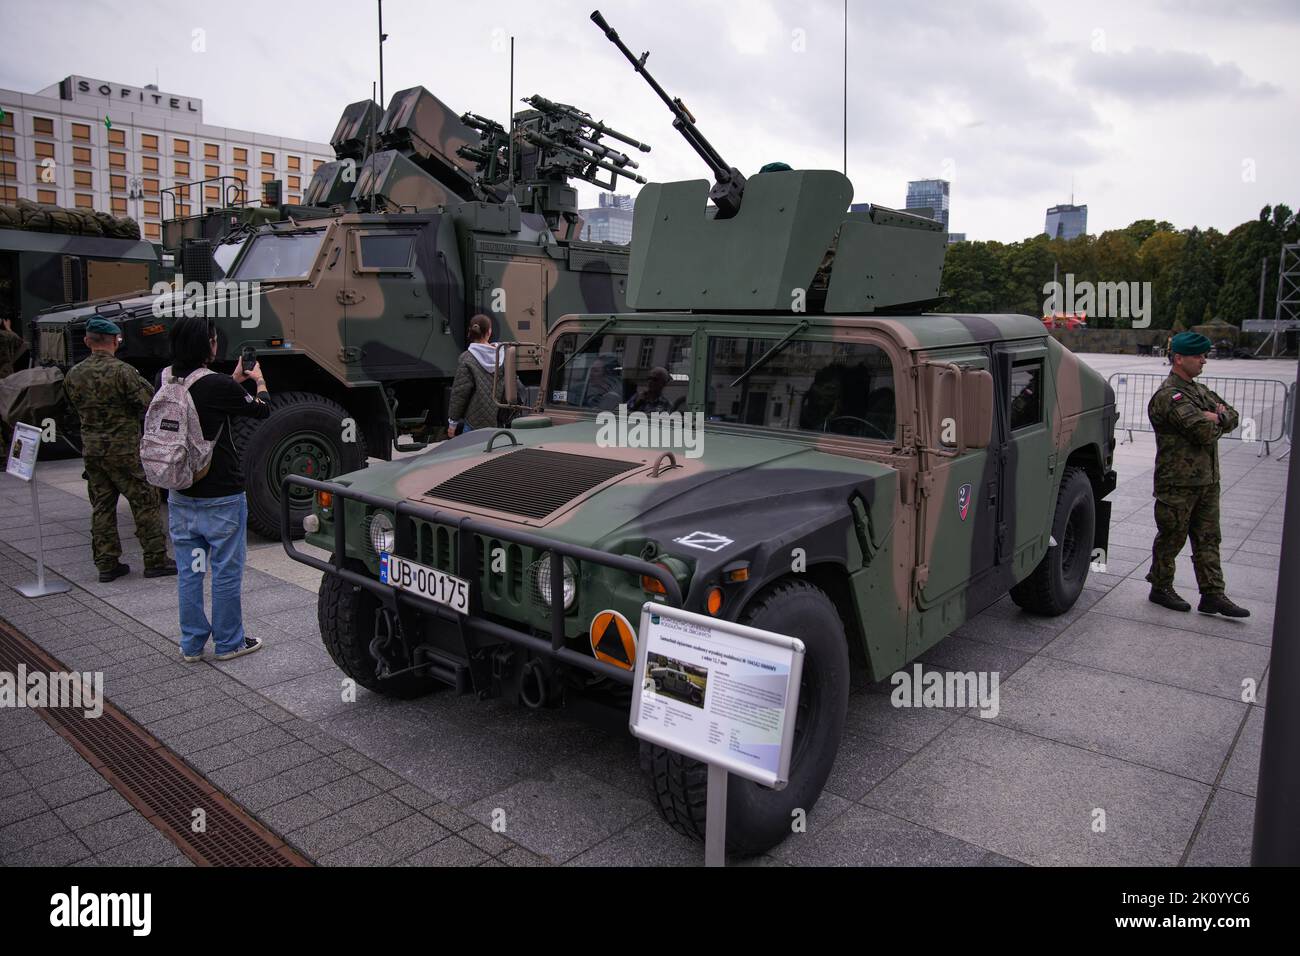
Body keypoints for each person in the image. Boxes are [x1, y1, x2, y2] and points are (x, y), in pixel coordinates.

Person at [164, 315, 271, 661]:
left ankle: (192, 644)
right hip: (221, 496)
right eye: (213, 340)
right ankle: (229, 643)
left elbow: (201, 398)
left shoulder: (165, 378)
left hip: (180, 493)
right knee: (225, 570)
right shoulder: (219, 388)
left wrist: (232, 380)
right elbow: (262, 411)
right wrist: (257, 381)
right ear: (207, 346)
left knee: (190, 572)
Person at [62, 317, 176, 582]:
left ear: (87, 341)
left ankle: (106, 565)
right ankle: (155, 559)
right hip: (125, 451)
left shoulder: (74, 374)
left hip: (92, 451)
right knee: (145, 503)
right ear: (115, 341)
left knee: (102, 506)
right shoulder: (124, 372)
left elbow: (70, 407)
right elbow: (149, 403)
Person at [1145, 330, 1249, 618]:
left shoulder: (1199, 391)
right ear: (1178, 358)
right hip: (1177, 483)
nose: (1204, 361)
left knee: (1208, 539)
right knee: (1172, 537)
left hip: (1206, 481)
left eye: (1204, 355)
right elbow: (1202, 432)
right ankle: (1160, 586)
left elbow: (1233, 414)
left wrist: (1219, 416)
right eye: (1198, 356)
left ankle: (1213, 594)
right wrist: (1216, 419)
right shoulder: (1171, 396)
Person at [447, 314, 519, 436]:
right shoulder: (503, 355)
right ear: (489, 332)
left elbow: (460, 393)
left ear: (471, 331)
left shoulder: (467, 358)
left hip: (475, 421)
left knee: (470, 454)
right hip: (498, 419)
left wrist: (452, 423)